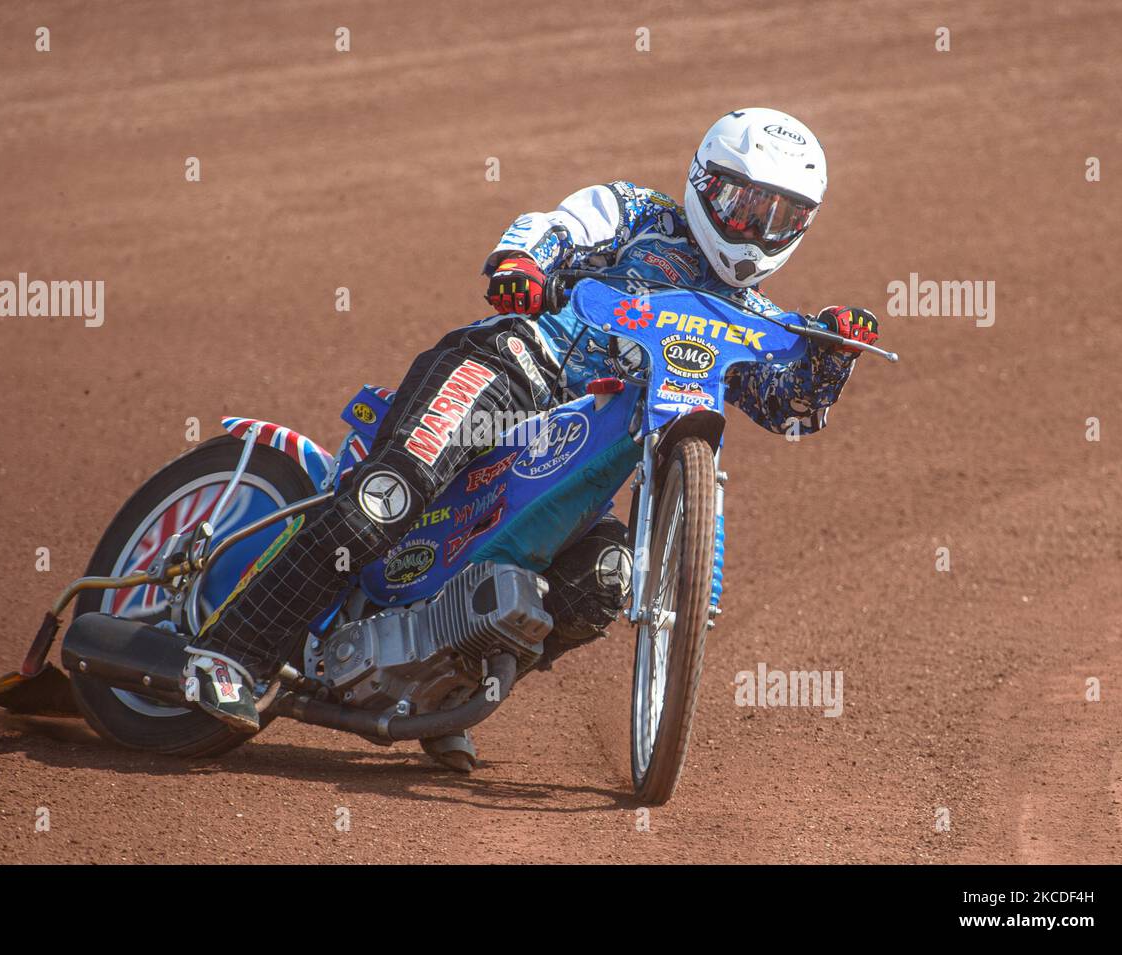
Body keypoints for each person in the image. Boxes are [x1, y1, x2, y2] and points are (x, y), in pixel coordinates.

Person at [183, 107, 880, 740]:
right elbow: (558, 226)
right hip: (515, 368)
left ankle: (439, 682)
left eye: (780, 216)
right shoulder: (638, 213)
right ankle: (228, 653)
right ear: (704, 182)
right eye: (743, 202)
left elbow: (790, 409)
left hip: (574, 450)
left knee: (604, 578)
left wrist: (834, 354)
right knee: (382, 501)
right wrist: (522, 264)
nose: (755, 228)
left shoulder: (748, 319)